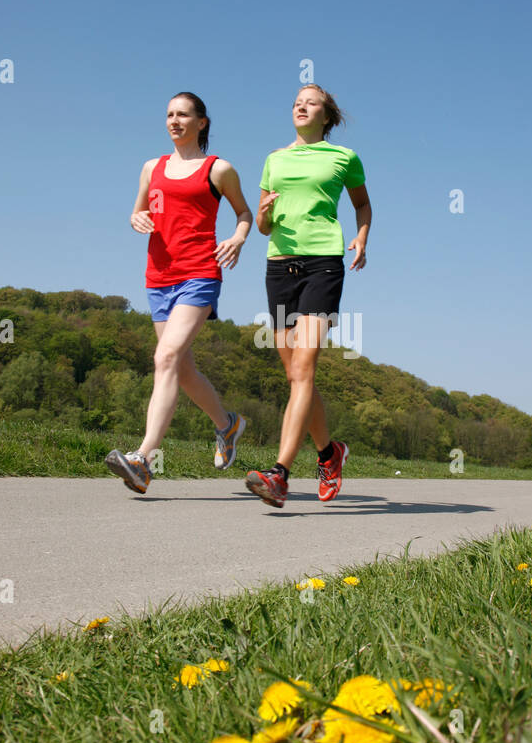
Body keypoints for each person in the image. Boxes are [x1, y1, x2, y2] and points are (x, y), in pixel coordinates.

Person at [105, 92, 251, 494]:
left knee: (165, 356)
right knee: (180, 368)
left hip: (200, 272)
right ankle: (228, 424)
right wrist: (137, 217)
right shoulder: (152, 167)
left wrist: (238, 238)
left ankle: (143, 459)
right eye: (169, 114)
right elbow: (139, 210)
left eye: (183, 114)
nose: (174, 120)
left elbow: (244, 212)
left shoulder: (218, 169)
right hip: (158, 276)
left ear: (201, 123)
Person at [244, 83, 371, 509]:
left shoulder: (343, 158)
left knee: (304, 366)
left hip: (323, 264)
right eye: (297, 101)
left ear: (327, 115)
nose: (301, 105)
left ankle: (278, 473)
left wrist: (362, 237)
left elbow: (362, 205)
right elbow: (264, 224)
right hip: (279, 265)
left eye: (311, 101)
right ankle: (329, 453)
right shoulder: (274, 160)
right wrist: (262, 217)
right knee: (295, 375)